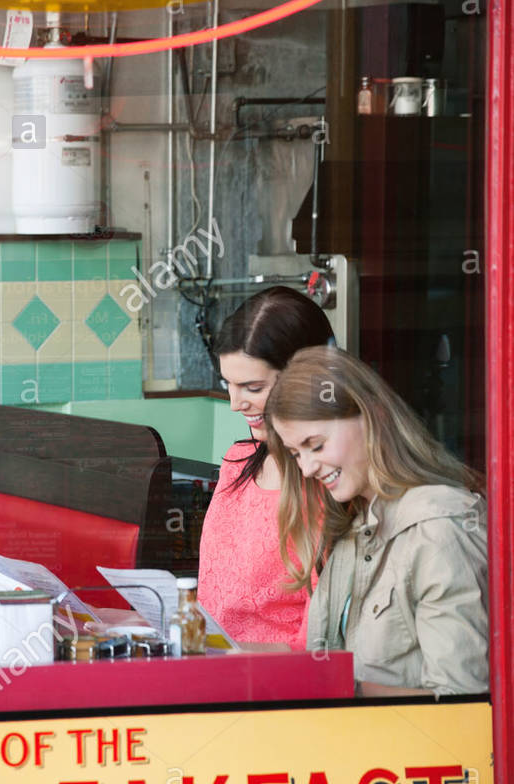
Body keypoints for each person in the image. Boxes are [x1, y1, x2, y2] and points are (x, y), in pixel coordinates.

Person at [266, 346, 488, 696]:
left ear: (374, 417)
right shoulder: (352, 526)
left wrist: (343, 690)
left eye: (317, 445)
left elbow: (463, 702)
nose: (306, 469)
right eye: (296, 454)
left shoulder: (439, 529)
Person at [197, 287, 335, 649]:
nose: (235, 403)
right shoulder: (237, 462)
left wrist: (221, 657)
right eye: (228, 384)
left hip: (277, 680)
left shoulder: (332, 483)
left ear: (306, 379)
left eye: (253, 388)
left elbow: (315, 645)